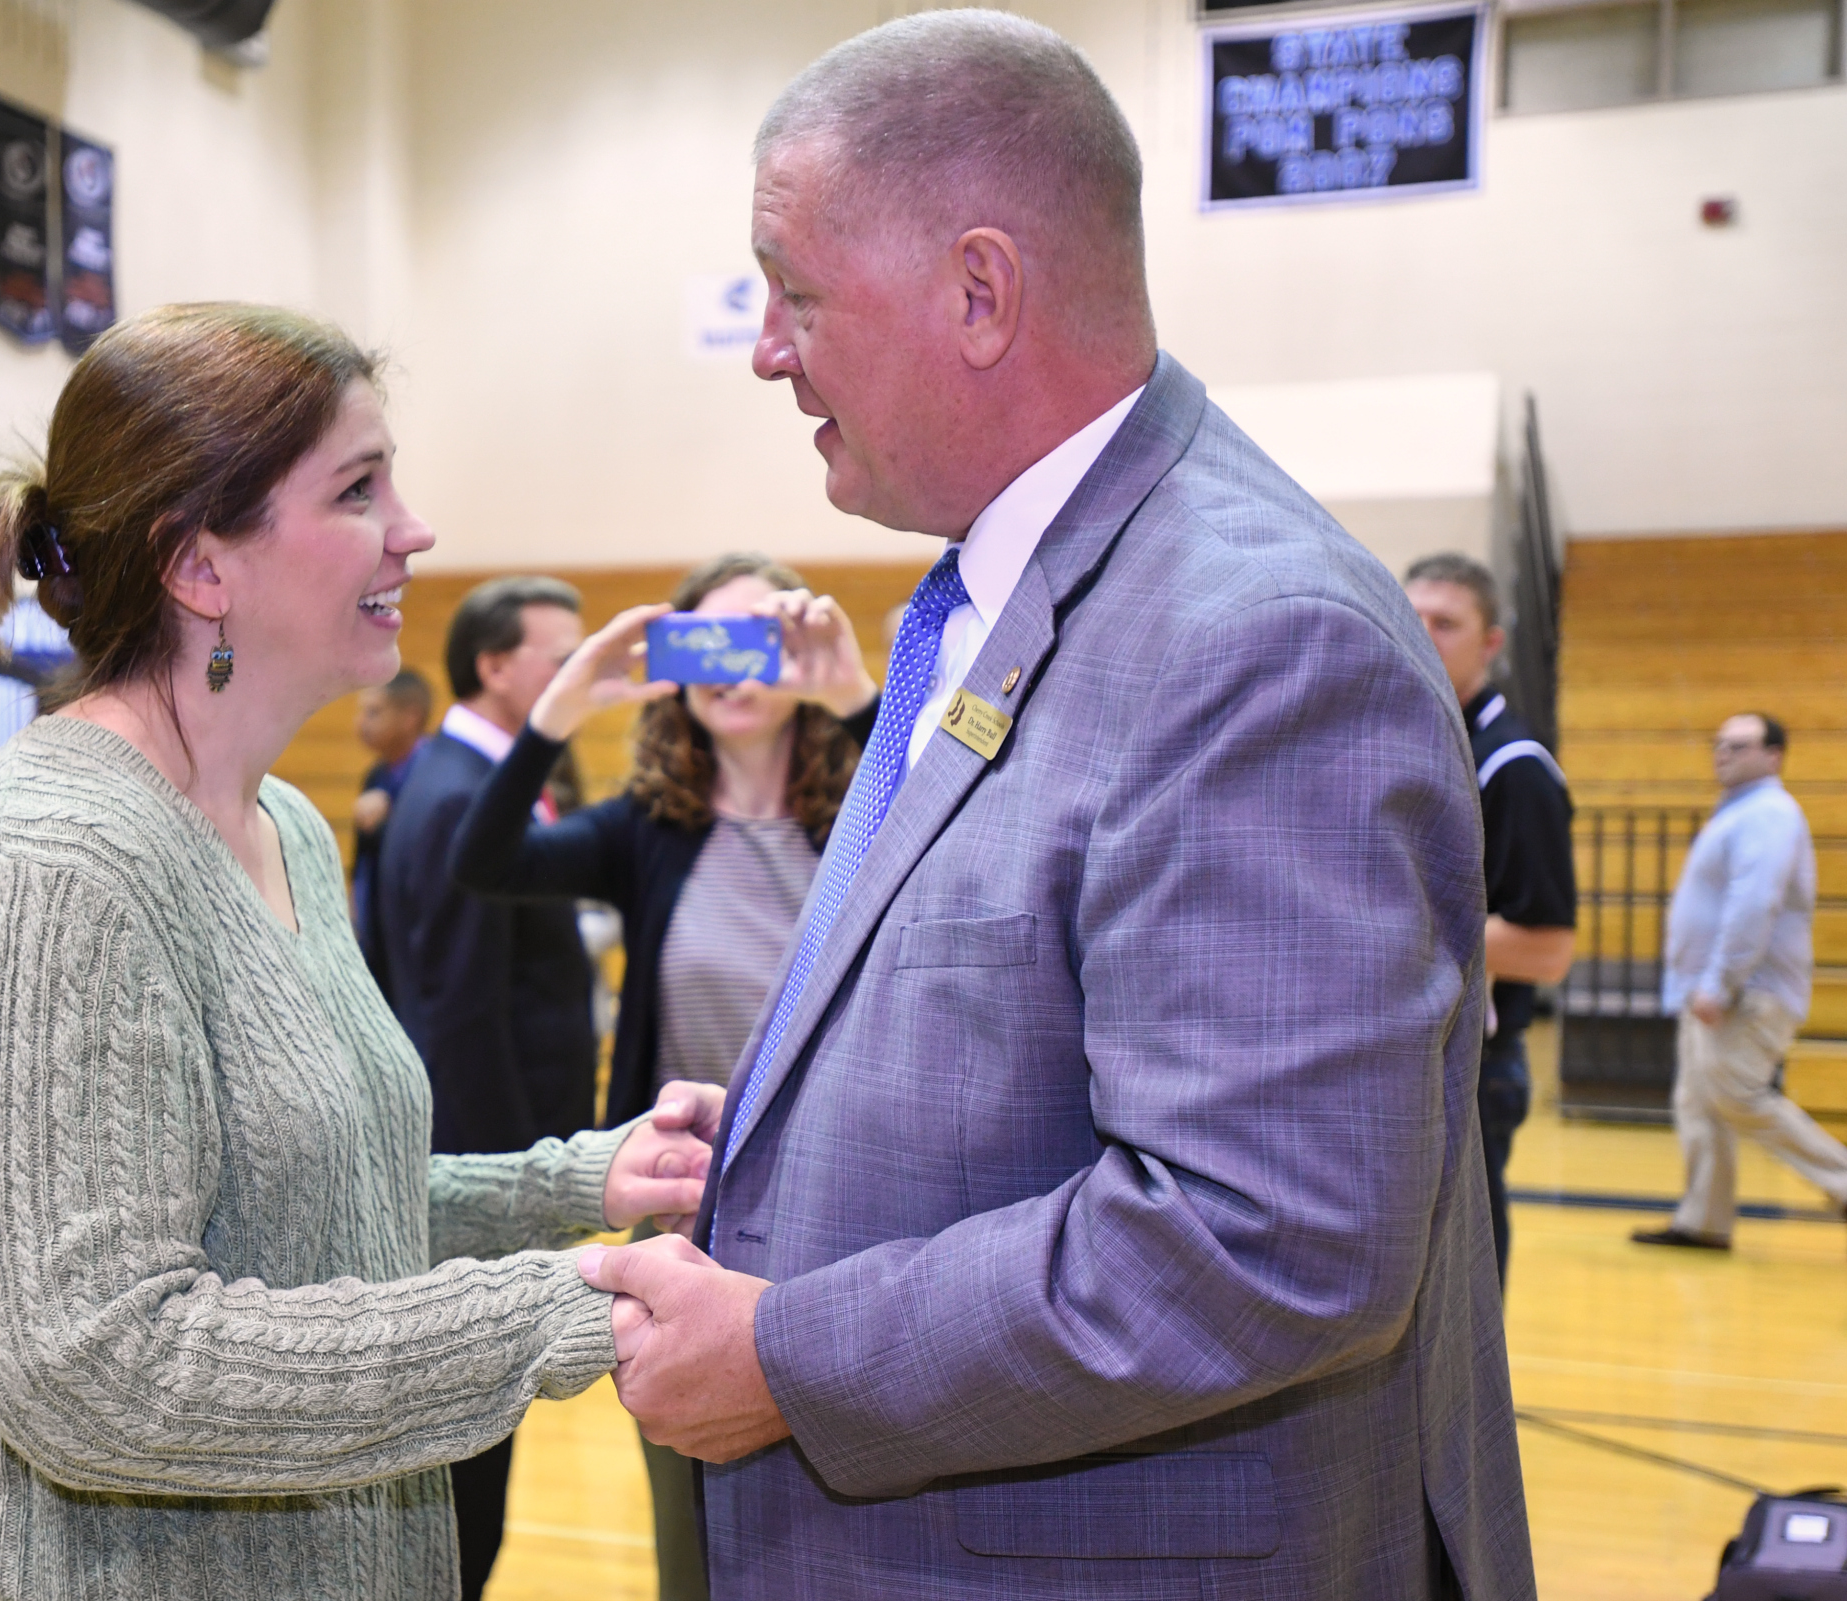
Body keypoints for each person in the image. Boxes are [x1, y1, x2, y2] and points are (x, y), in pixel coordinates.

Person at [574, 15, 1532, 1598]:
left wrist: (787, 1351)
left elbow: (1266, 1234)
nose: (764, 347)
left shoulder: (1253, 641)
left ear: (978, 291)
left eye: (795, 291)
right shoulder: (1007, 598)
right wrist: (785, 1138)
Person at [0, 302, 720, 1601]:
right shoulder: (59, 867)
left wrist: (587, 1181)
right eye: (357, 489)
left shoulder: (280, 823)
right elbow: (98, 1369)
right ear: (201, 565)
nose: (414, 529)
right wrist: (568, 1309)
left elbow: (316, 1211)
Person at [449, 552, 878, 1601]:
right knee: (694, 1543)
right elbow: (485, 858)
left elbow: (983, 821)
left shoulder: (875, 816)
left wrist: (863, 698)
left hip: (854, 1215)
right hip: (689, 1230)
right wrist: (563, 701)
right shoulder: (646, 831)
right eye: (710, 642)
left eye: (760, 639)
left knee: (861, 1526)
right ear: (677, 668)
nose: (734, 668)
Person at [374, 573, 600, 1599]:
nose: (579, 673)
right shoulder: (462, 792)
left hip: (473, 1151)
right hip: (480, 1162)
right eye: (561, 656)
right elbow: (460, 1017)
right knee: (469, 1473)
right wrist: (521, 1194)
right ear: (494, 664)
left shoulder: (463, 775)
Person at [1406, 554, 1576, 1286]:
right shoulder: (1419, 734)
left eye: (1446, 622)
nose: (1425, 634)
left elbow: (1547, 949)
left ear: (1492, 642)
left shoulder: (1514, 764)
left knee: (1462, 1278)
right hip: (1423, 1048)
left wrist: (1391, 935)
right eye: (1412, 617)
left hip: (1479, 1061)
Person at [1631, 714, 1847, 1255]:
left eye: (1739, 745)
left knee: (1737, 1095)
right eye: (1719, 744)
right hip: (1709, 989)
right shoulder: (1738, 813)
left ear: (1774, 755)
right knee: (1699, 1103)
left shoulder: (1769, 814)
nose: (1723, 753)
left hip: (1742, 993)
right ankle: (1704, 1220)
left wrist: (1721, 982)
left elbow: (1755, 903)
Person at [349, 668, 432, 992]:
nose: (361, 723)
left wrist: (391, 821)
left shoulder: (432, 777)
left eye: (374, 712)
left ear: (410, 716)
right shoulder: (375, 777)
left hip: (419, 945)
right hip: (380, 939)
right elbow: (362, 866)